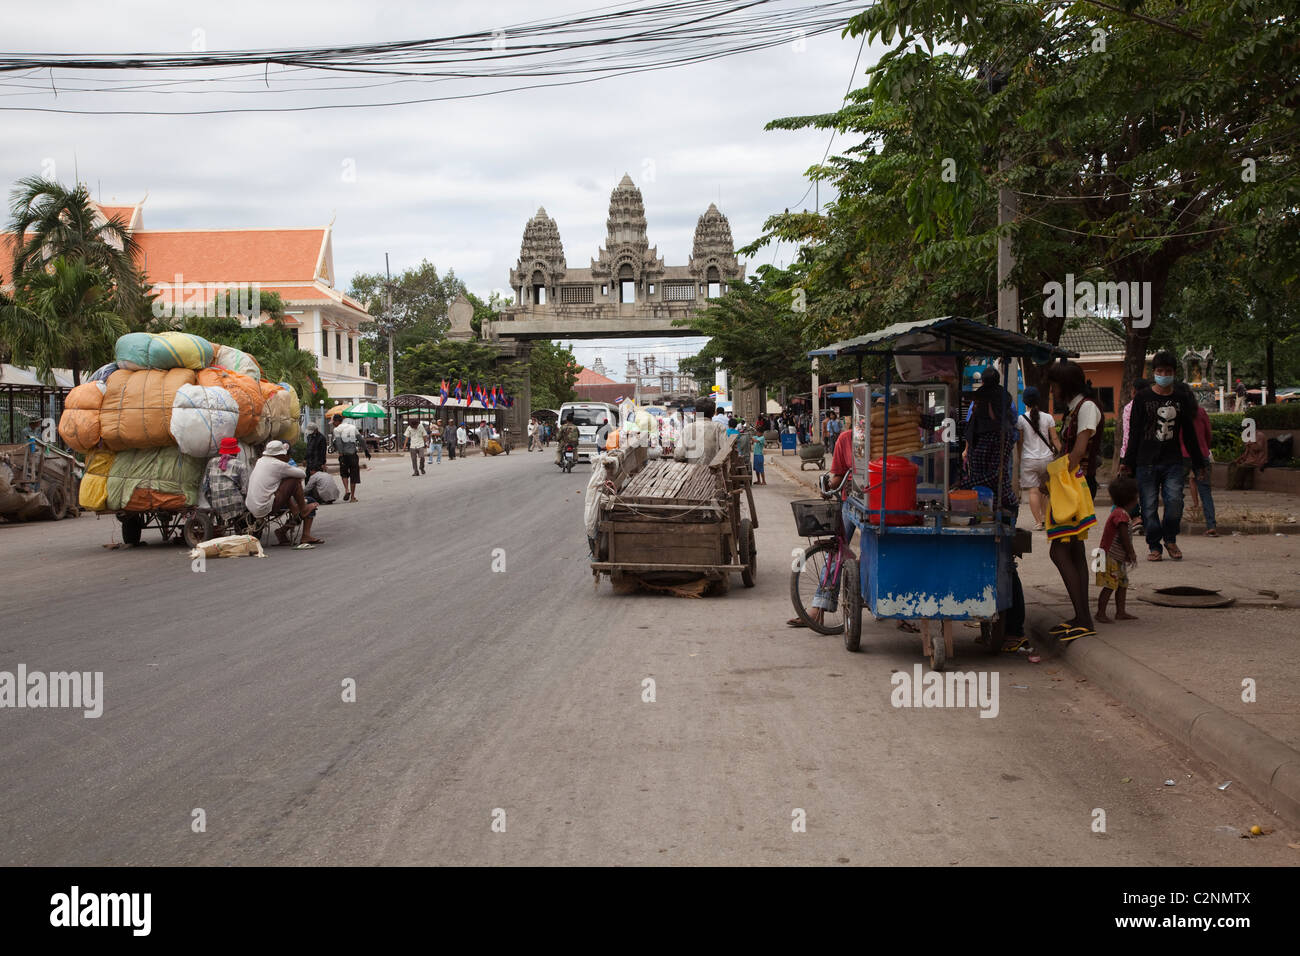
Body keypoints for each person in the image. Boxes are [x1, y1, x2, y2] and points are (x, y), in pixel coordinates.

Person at [1120, 350, 1206, 561]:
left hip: (1173, 461)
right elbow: (1134, 433)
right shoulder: (1142, 398)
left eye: (1168, 371)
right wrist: (1127, 463)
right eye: (1160, 371)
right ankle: (1154, 545)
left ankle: (1170, 538)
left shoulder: (1181, 398)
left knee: (1175, 501)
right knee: (1148, 506)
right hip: (1145, 462)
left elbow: (1190, 434)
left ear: (1174, 373)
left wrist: (1199, 464)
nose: (1163, 374)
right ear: (1154, 372)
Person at [1046, 359, 1100, 641]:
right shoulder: (1075, 409)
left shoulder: (1087, 408)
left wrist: (1053, 478)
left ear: (1064, 385)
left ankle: (1083, 617)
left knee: (1059, 551)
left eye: (1054, 385)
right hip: (1069, 485)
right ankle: (1081, 616)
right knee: (1075, 551)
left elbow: (1078, 452)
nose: (1052, 391)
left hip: (1073, 487)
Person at [957, 367, 1018, 514]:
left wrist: (965, 484)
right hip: (980, 503)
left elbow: (996, 474)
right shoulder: (977, 428)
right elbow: (954, 426)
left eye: (978, 404)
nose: (975, 409)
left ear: (992, 406)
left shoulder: (1002, 434)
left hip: (1000, 506)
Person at [246, 439, 322, 546]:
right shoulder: (278, 464)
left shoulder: (260, 461)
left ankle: (295, 513)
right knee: (295, 481)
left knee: (290, 483)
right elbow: (302, 474)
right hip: (266, 506)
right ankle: (303, 511)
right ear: (279, 455)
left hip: (252, 505)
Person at [1095, 475, 1139, 624]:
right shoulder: (1121, 515)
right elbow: (1124, 537)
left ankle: (1121, 612)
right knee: (1110, 585)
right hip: (1109, 556)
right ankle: (1100, 613)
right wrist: (1131, 553)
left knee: (1121, 584)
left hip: (1115, 557)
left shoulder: (1120, 512)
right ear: (1132, 498)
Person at [1015, 385, 1058, 530]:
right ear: (1038, 400)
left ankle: (1038, 522)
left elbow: (1019, 442)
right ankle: (1047, 519)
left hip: (1029, 460)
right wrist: (1062, 453)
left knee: (1033, 491)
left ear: (1025, 401)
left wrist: (1020, 458)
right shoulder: (1048, 417)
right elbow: (1055, 439)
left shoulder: (1020, 419)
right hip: (1047, 459)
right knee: (1045, 491)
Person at [1182, 402, 1217, 536]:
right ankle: (1211, 525)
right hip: (1201, 454)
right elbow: (1208, 433)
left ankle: (1171, 524)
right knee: (1205, 491)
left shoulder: (1177, 412)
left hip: (1182, 455)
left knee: (1174, 491)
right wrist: (1205, 448)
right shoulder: (1201, 412)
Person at [202, 436, 251, 530]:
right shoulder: (240, 465)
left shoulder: (212, 462)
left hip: (215, 503)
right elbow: (245, 488)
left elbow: (206, 484)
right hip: (235, 504)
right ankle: (242, 528)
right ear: (236, 451)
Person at [331, 414, 370, 502]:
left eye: (333, 422)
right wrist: (366, 451)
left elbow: (339, 442)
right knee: (354, 475)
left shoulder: (337, 429)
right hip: (353, 455)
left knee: (344, 473)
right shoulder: (352, 427)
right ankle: (352, 497)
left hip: (344, 455)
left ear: (337, 421)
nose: (333, 424)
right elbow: (361, 440)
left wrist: (340, 453)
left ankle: (346, 490)